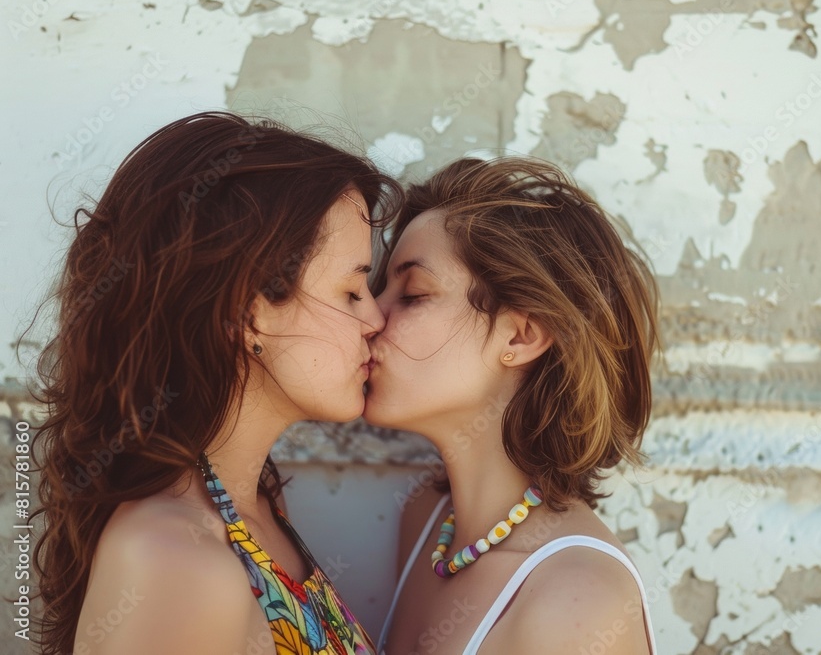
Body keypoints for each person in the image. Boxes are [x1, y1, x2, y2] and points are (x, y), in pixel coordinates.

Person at [28, 111, 400, 654]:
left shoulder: (253, 512)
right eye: (352, 291)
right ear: (250, 310)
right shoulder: (176, 562)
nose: (376, 320)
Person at [363, 157, 660, 654]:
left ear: (521, 335)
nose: (371, 316)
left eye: (412, 294)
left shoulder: (576, 600)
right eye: (378, 288)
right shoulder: (426, 521)